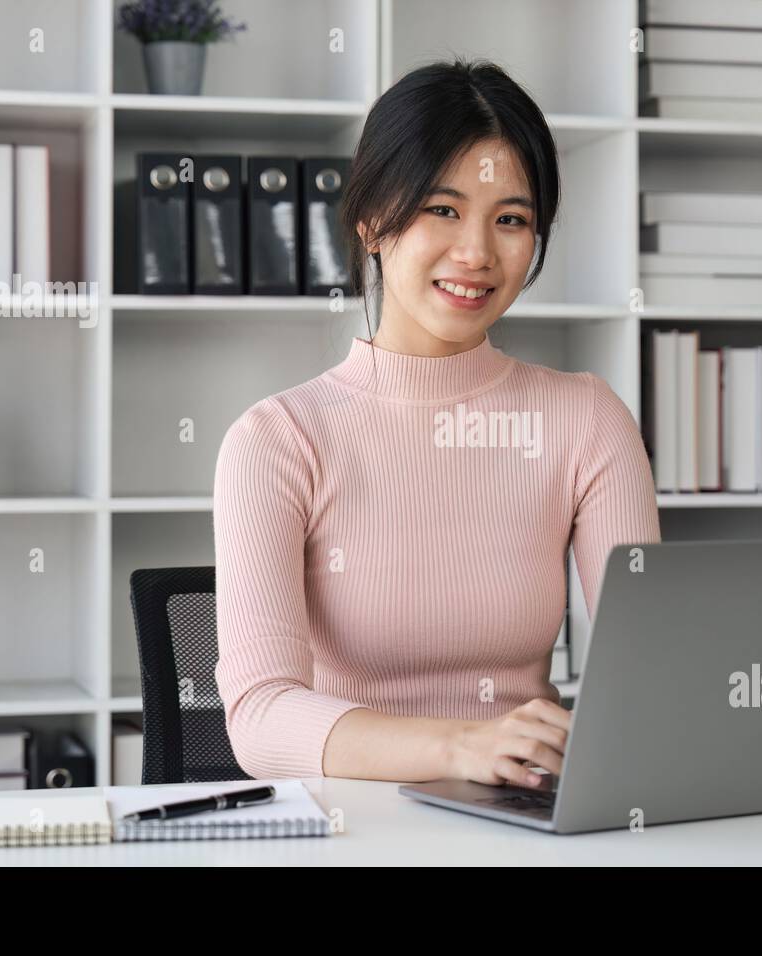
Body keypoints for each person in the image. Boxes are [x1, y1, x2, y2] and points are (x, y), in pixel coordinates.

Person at [213, 57, 660, 790]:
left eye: (510, 219)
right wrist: (461, 748)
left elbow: (650, 670)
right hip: (355, 828)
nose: (477, 254)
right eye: (442, 209)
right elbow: (260, 719)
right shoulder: (278, 441)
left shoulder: (586, 419)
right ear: (370, 222)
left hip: (526, 817)